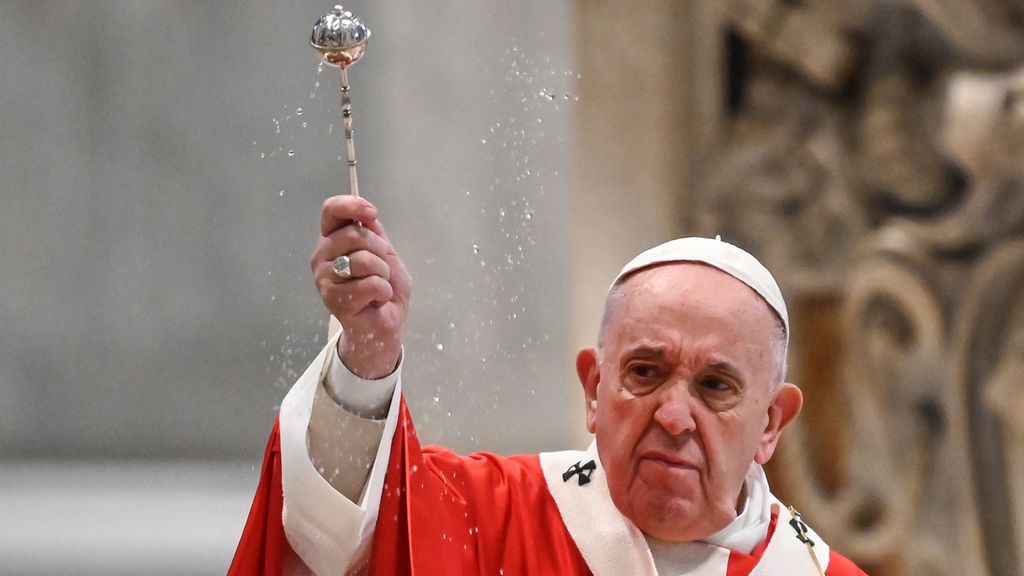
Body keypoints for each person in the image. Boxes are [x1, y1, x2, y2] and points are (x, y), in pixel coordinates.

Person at [229, 196, 867, 575]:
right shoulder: (488, 519)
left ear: (770, 425)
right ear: (593, 388)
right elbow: (332, 538)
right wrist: (368, 357)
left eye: (716, 385)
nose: (675, 415)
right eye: (644, 373)